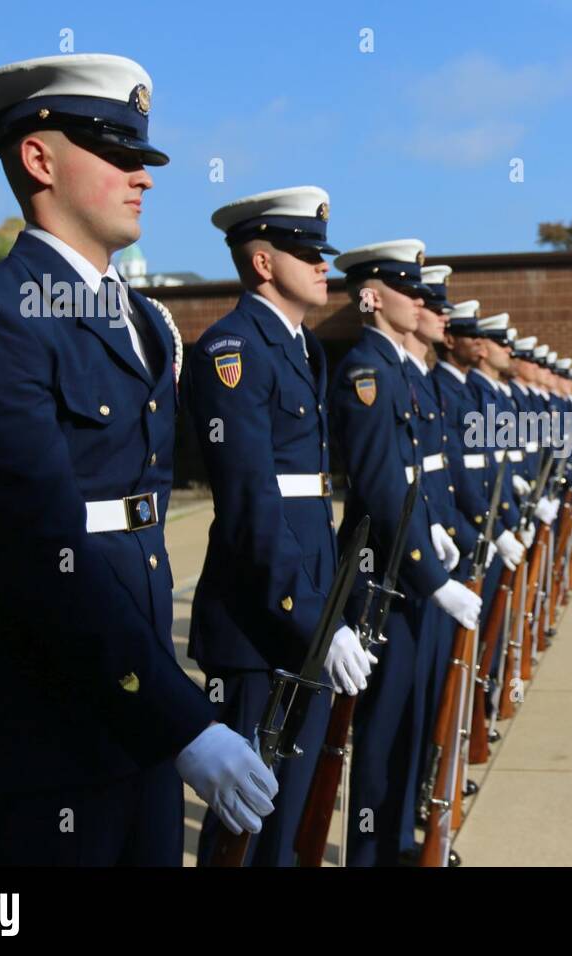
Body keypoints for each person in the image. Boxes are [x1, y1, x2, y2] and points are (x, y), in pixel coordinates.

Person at [0, 53, 275, 865]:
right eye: (117, 154)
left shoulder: (146, 324)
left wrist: (163, 716)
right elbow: (39, 551)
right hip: (45, 736)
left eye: (143, 158)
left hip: (139, 713)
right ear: (39, 159)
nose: (141, 176)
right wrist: (184, 720)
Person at [183, 186, 377, 865]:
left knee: (291, 817)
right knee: (247, 824)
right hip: (263, 620)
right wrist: (310, 622)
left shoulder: (299, 348)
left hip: (307, 605)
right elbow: (251, 509)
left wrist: (329, 616)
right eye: (305, 252)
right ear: (262, 263)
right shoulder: (233, 350)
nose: (323, 265)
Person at [329, 239, 481, 866]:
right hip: (384, 580)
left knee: (413, 720)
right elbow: (381, 487)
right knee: (383, 736)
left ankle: (396, 848)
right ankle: (371, 856)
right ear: (370, 297)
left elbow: (417, 478)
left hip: (409, 570)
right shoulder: (366, 371)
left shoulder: (395, 371)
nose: (420, 300)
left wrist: (435, 537)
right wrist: (432, 573)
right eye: (407, 288)